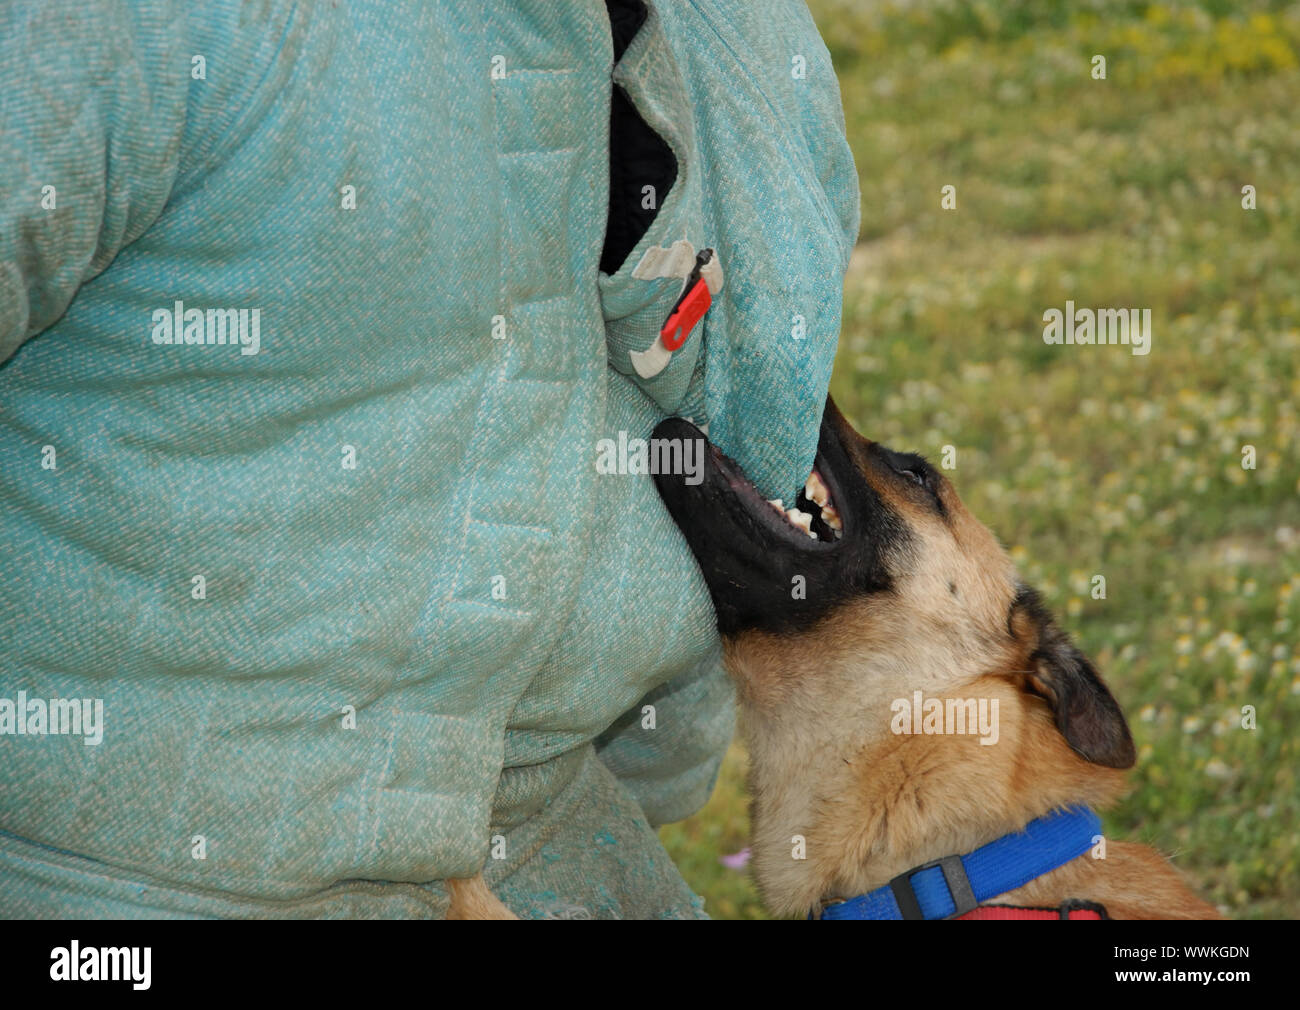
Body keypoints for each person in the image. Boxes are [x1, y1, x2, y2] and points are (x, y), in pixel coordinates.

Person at [0, 0, 859, 918]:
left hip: (553, 842)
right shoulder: (148, 29)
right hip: (108, 880)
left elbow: (745, 457)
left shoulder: (759, 55)